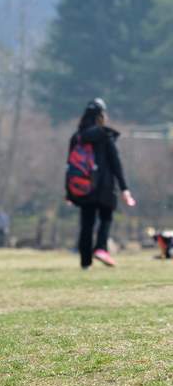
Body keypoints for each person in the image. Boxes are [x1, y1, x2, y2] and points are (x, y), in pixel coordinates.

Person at [66, 98, 137, 269]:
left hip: (84, 187)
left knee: (86, 223)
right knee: (106, 217)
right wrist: (124, 189)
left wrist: (69, 192)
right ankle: (101, 248)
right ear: (101, 116)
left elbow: (70, 166)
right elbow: (115, 163)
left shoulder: (77, 137)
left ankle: (85, 263)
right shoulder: (105, 135)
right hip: (105, 186)